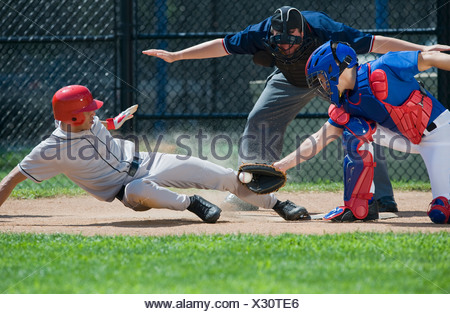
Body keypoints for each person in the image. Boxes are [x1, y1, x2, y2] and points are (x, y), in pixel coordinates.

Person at [142, 6, 450, 212]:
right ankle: (251, 191)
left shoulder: (323, 28)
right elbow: (220, 46)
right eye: (281, 42)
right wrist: (175, 56)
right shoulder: (260, 32)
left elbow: (375, 43)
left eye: (293, 40)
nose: (287, 45)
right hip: (288, 81)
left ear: (304, 32)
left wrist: (423, 50)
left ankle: (382, 198)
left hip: (330, 79)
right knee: (259, 119)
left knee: (361, 122)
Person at [0, 85, 310, 223]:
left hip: (149, 160)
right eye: (88, 111)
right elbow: (12, 179)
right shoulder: (51, 150)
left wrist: (115, 122)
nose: (94, 114)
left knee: (224, 176)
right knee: (137, 187)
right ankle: (194, 205)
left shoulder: (86, 121)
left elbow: (100, 124)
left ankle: (279, 205)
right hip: (128, 190)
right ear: (71, 119)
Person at [273, 40, 450, 223]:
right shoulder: (345, 103)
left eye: (323, 78)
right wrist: (279, 167)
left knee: (441, 213)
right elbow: (319, 138)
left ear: (334, 68)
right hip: (405, 137)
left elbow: (430, 58)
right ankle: (360, 207)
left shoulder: (385, 66)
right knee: (354, 128)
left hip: (440, 135)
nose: (322, 85)